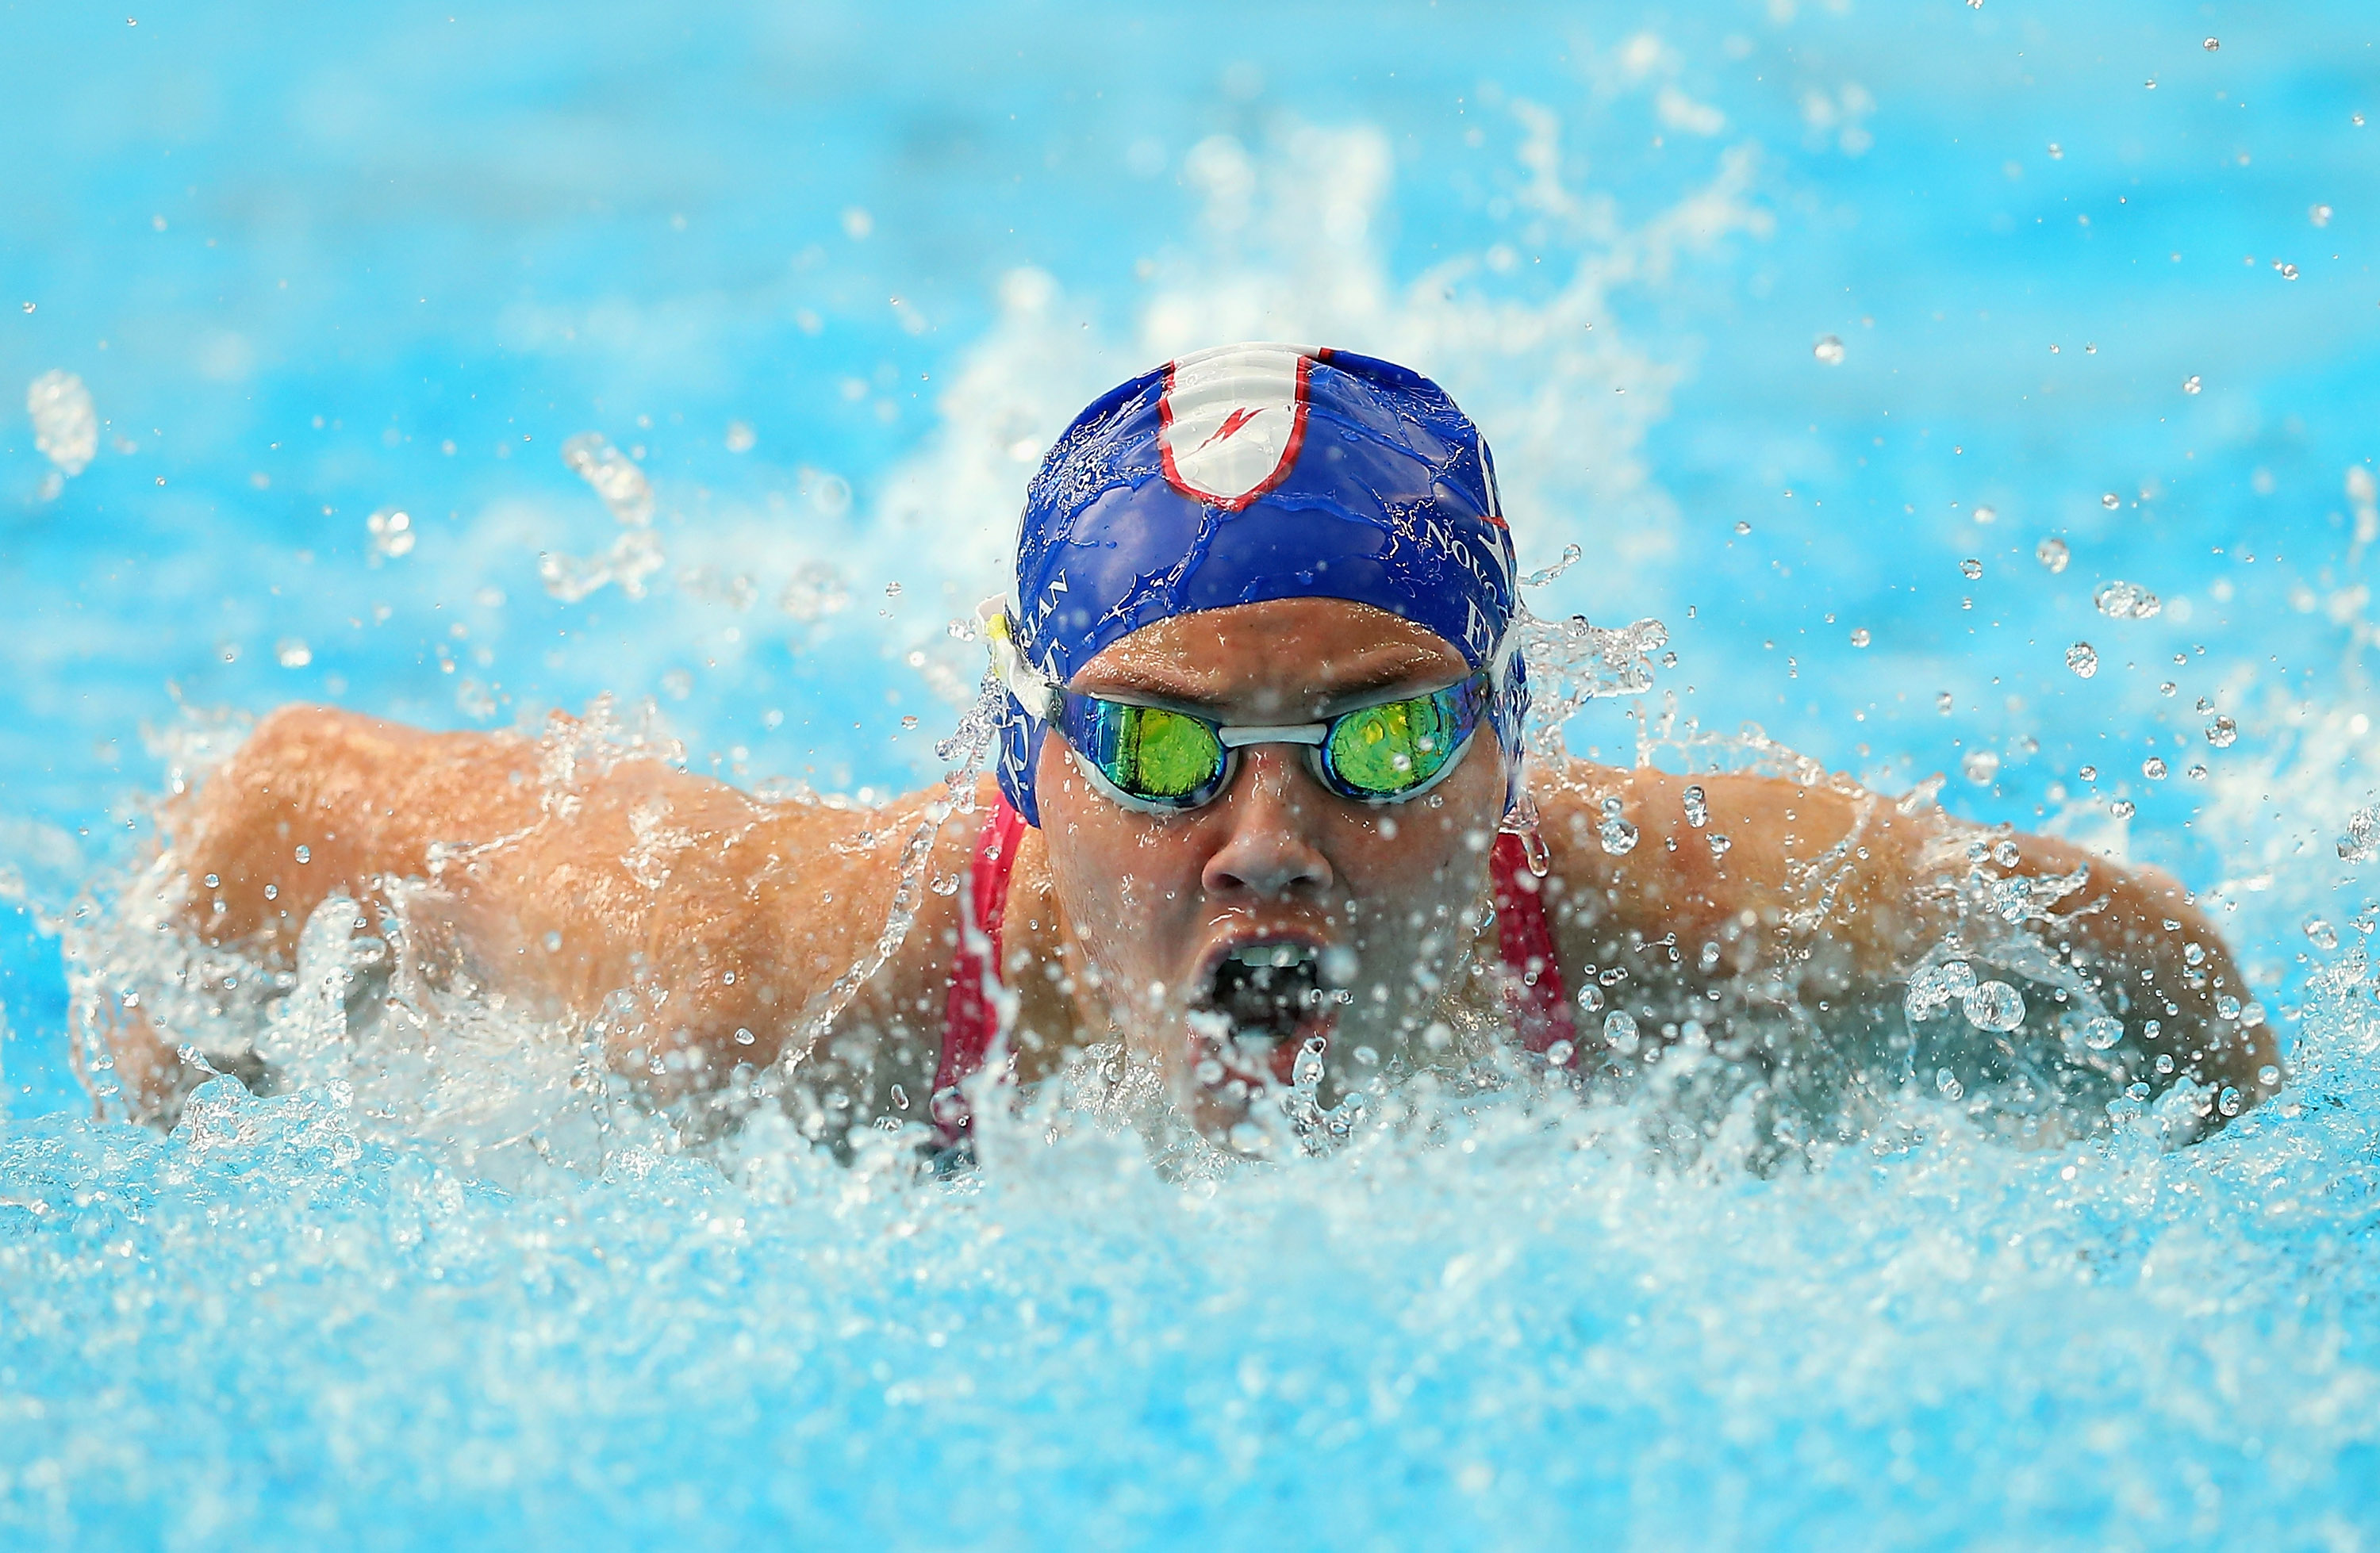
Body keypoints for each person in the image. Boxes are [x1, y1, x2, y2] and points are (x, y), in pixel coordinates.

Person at [97, 343, 2280, 1151]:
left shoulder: (1715, 927)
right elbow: (281, 796)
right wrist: (175, 1110)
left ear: (1508, 750)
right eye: (1157, 755)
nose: (1270, 839)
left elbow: (2160, 967)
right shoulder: (776, 978)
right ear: (1021, 765)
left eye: (1384, 736)